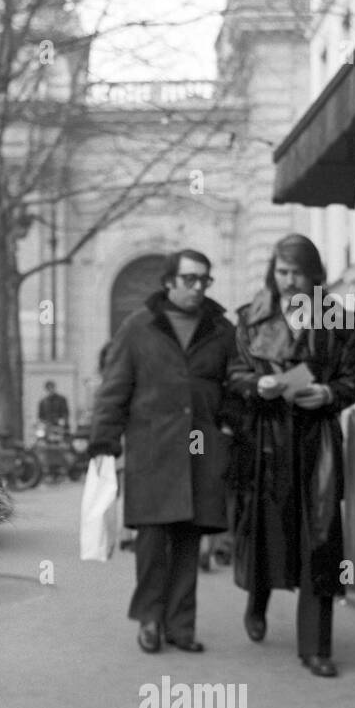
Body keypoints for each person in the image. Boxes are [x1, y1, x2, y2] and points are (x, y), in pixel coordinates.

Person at [227, 234, 355, 678]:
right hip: (266, 440)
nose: (288, 281)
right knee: (267, 530)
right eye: (281, 272)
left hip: (315, 438)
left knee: (320, 538)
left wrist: (326, 392)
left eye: (296, 273)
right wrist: (257, 385)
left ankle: (316, 648)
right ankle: (257, 598)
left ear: (314, 274)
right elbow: (234, 375)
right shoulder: (251, 319)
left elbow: (353, 380)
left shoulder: (337, 320)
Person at [87, 249, 236, 653]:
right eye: (189, 279)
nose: (198, 287)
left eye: (204, 279)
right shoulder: (139, 327)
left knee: (189, 541)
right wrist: (104, 440)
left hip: (200, 450)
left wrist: (234, 425)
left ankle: (181, 626)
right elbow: (115, 387)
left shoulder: (221, 330)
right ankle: (150, 620)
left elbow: (235, 385)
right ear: (169, 281)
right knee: (153, 542)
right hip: (152, 449)